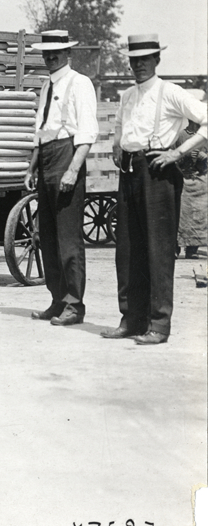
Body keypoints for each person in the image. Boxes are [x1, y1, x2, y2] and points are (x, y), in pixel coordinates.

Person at [104, 34, 208, 345]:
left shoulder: (171, 92)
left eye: (145, 60)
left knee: (159, 250)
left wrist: (177, 152)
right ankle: (132, 319)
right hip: (129, 171)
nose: (139, 66)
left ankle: (159, 325)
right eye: (134, 60)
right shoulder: (127, 96)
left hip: (159, 172)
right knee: (128, 250)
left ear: (156, 61)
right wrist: (116, 144)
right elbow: (120, 127)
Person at [23, 30, 98, 326]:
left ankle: (74, 305)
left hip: (68, 157)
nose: (50, 57)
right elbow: (40, 131)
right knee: (48, 238)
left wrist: (73, 169)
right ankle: (57, 300)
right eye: (46, 53)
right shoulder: (45, 86)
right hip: (47, 159)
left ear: (68, 53)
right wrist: (31, 167)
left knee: (68, 239)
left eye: (56, 53)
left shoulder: (80, 83)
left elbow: (87, 132)